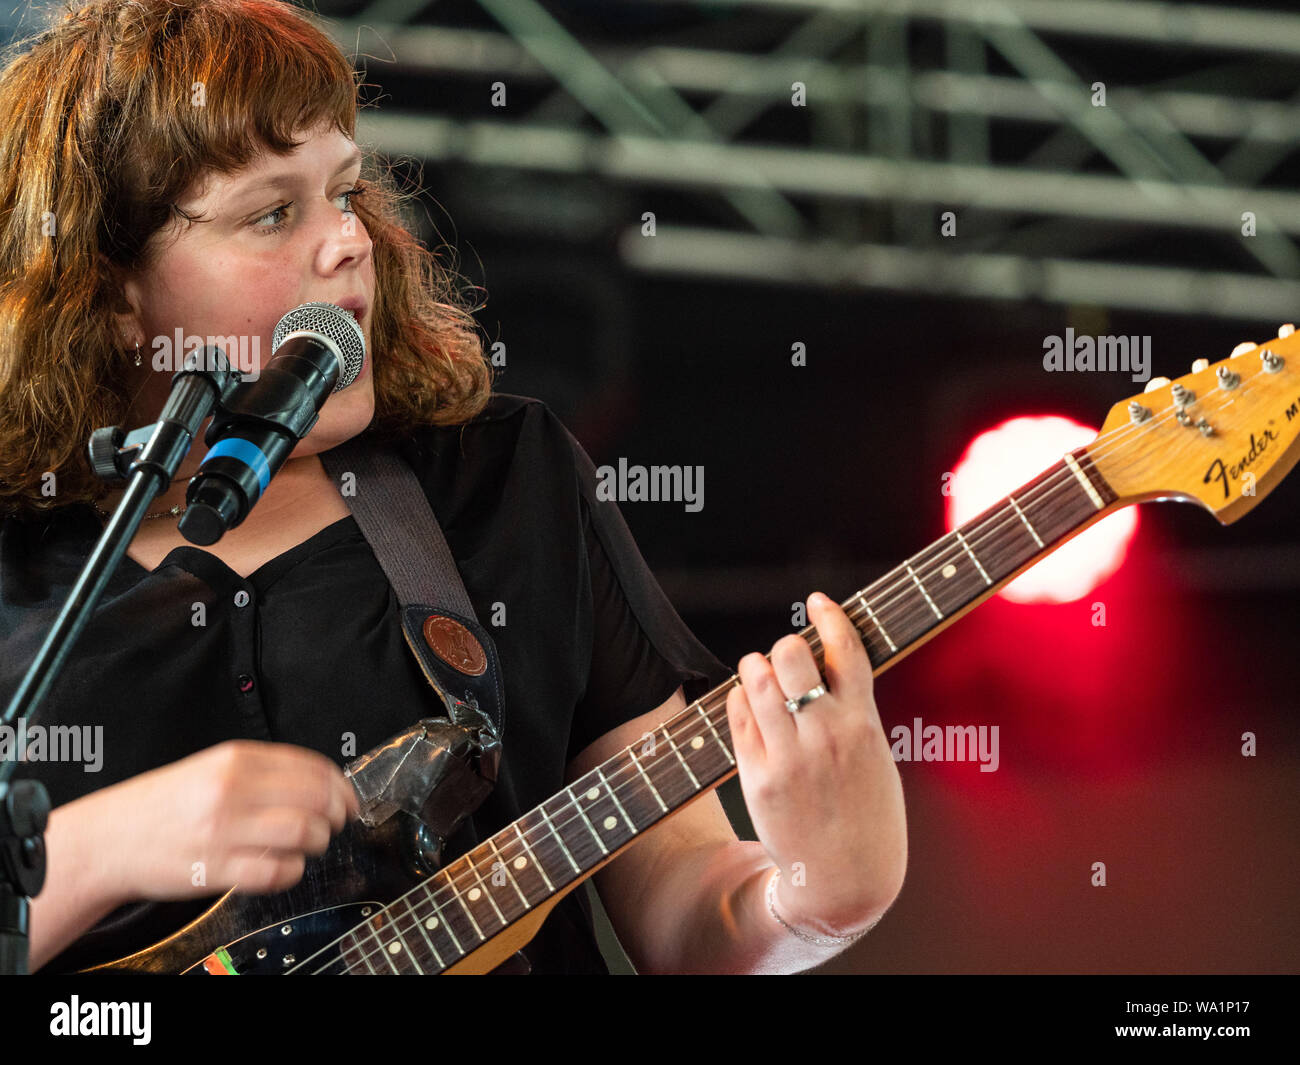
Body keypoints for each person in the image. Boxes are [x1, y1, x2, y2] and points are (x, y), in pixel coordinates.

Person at [0, 0, 907, 975]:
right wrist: (93, 853)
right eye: (272, 212)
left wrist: (815, 900)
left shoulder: (504, 479)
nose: (347, 242)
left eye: (343, 191)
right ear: (111, 294)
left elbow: (688, 913)